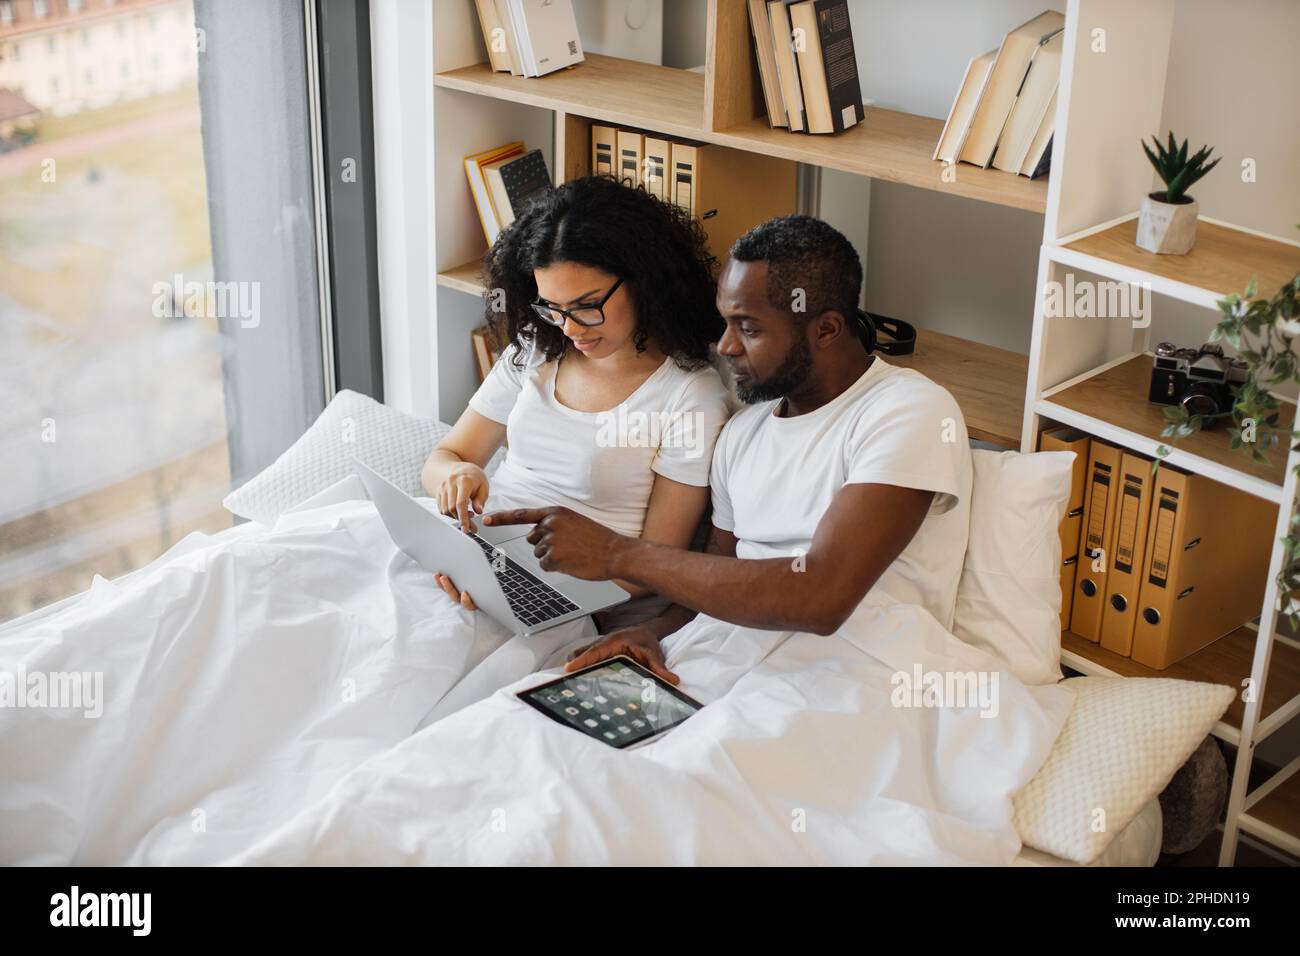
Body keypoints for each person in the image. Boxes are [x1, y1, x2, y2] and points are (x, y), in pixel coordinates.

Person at [479, 214, 974, 683]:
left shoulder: (909, 410)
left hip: (858, 672)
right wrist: (651, 632)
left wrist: (616, 553)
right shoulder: (744, 433)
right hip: (724, 662)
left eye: (749, 327)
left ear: (824, 329)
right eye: (725, 324)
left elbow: (820, 598)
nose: (726, 347)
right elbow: (712, 581)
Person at [420, 173, 731, 642]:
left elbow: (654, 565)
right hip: (474, 557)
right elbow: (446, 457)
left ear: (644, 280)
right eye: (552, 307)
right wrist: (455, 481)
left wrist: (512, 589)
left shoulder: (691, 395)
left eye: (587, 306)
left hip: (569, 593)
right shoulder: (536, 347)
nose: (571, 329)